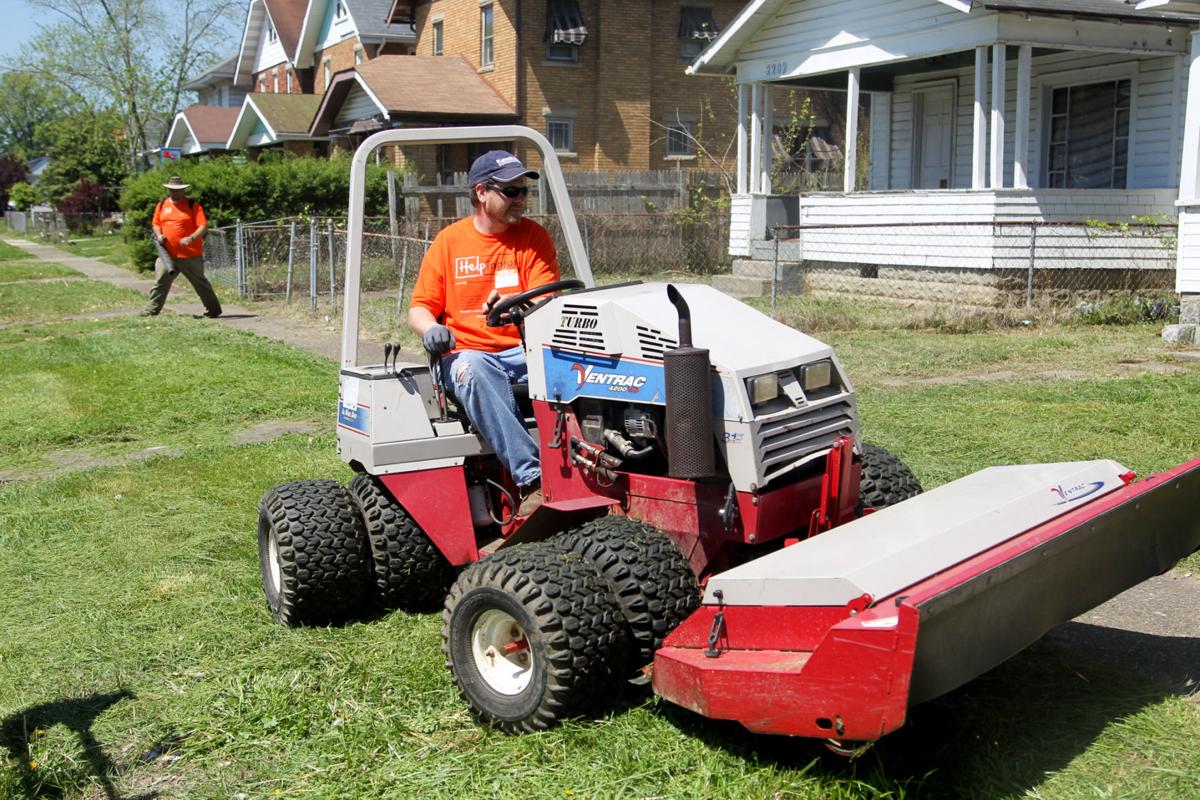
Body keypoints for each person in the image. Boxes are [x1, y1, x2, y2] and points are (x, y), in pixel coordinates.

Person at [408, 150, 559, 515]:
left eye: (523, 191)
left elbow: (546, 300)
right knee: (474, 369)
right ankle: (533, 479)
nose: (520, 199)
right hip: (468, 354)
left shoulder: (534, 238)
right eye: (511, 192)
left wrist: (515, 306)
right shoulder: (449, 242)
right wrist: (432, 329)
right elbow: (419, 308)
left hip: (524, 350)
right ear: (481, 192)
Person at [141, 176, 222, 318]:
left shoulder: (192, 205)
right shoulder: (162, 205)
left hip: (190, 254)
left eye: (178, 190)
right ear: (168, 190)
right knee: (160, 282)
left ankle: (213, 310)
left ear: (183, 190)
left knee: (200, 283)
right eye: (173, 190)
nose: (175, 193)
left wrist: (191, 238)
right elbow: (156, 224)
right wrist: (159, 235)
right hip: (167, 254)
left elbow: (203, 226)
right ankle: (150, 311)